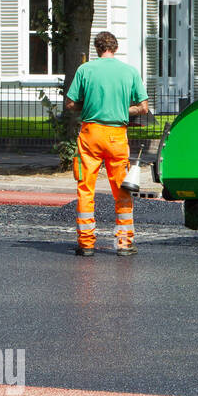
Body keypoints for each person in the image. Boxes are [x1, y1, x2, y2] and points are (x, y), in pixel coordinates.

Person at [64, 32, 149, 256]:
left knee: (85, 188)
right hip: (116, 136)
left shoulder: (85, 70)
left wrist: (91, 105)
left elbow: (71, 104)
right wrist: (122, 109)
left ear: (97, 48)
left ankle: (86, 244)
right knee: (122, 189)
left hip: (90, 134)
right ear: (115, 48)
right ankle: (124, 243)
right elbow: (143, 107)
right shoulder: (129, 71)